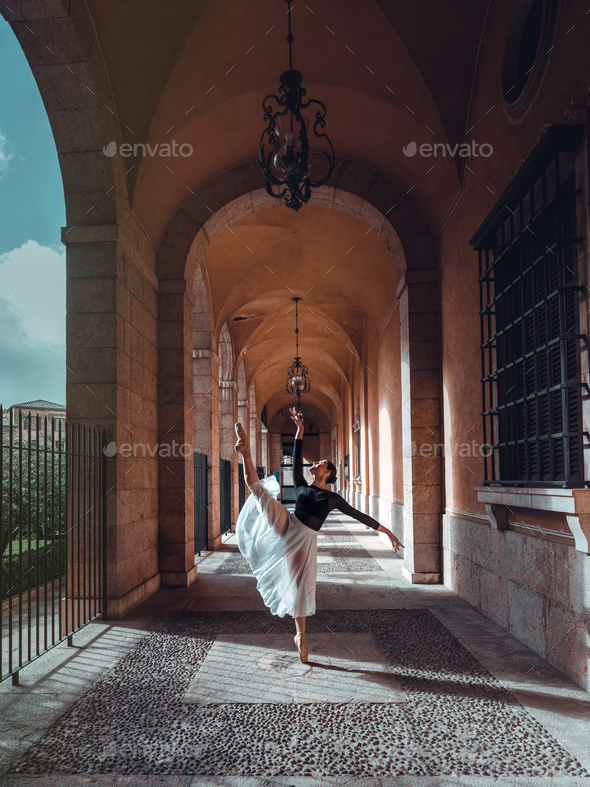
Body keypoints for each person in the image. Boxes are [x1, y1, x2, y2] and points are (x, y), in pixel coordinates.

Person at [233, 406, 404, 663]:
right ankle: (245, 452)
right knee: (258, 491)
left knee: (298, 590)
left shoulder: (332, 497)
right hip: (289, 525)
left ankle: (300, 637)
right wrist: (299, 429)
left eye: (321, 463)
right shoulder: (302, 485)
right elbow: (297, 452)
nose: (315, 463)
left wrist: (387, 531)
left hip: (299, 538)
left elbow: (359, 515)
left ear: (328, 473)